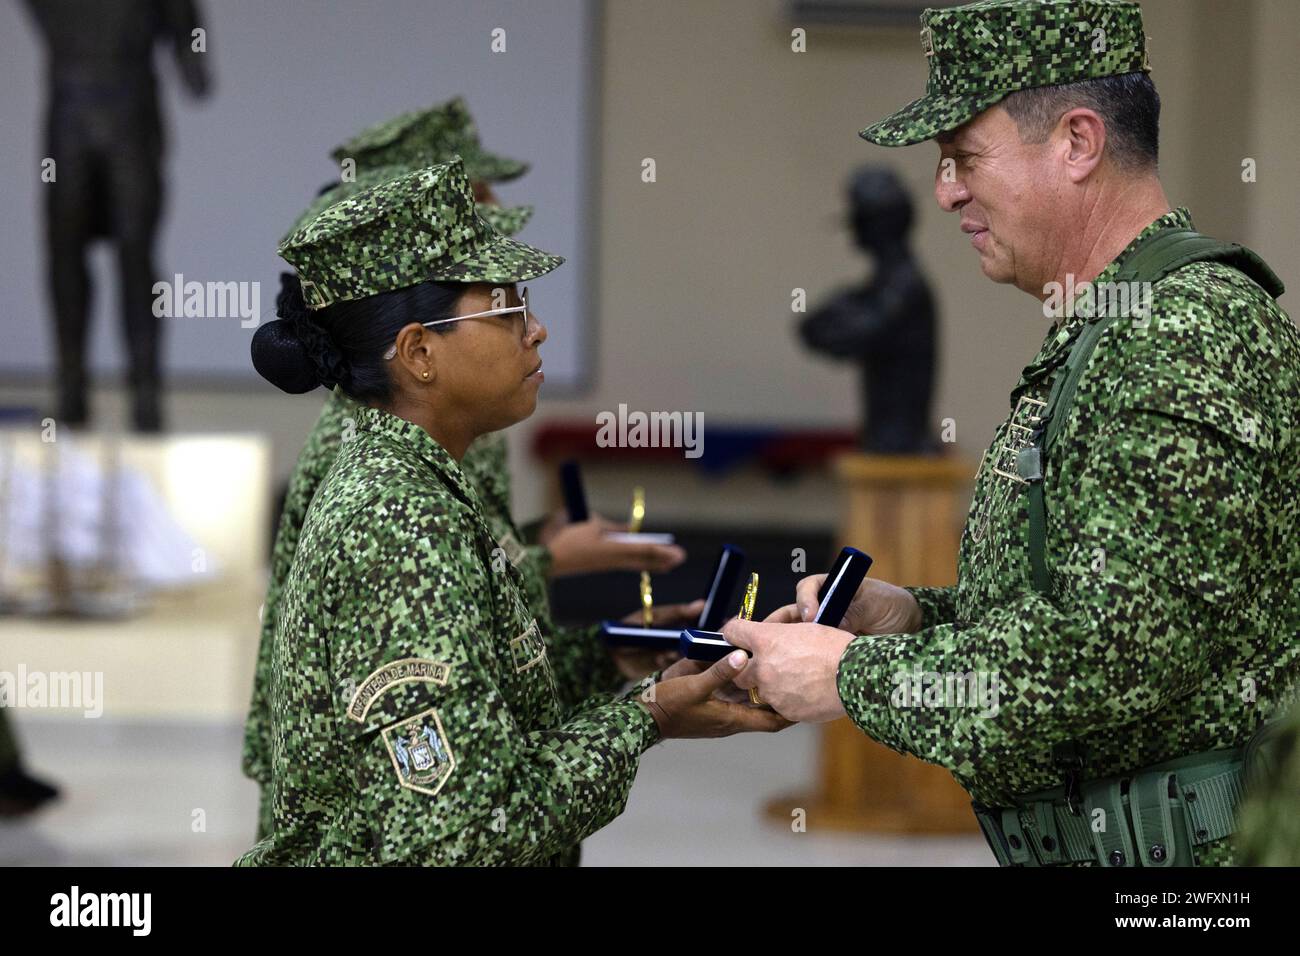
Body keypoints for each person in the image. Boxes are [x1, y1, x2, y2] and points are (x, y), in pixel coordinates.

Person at [722, 0, 1299, 867]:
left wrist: (847, 677)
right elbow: (1082, 604)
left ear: (1076, 142)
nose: (946, 190)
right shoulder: (1110, 327)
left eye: (964, 157)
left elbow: (1111, 653)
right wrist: (913, 620)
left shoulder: (1180, 332)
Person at [237, 160, 787, 865]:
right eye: (505, 310)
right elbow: (465, 838)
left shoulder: (423, 477)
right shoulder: (398, 523)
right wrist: (646, 716)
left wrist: (603, 656)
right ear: (419, 353)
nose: (537, 331)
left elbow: (472, 696)